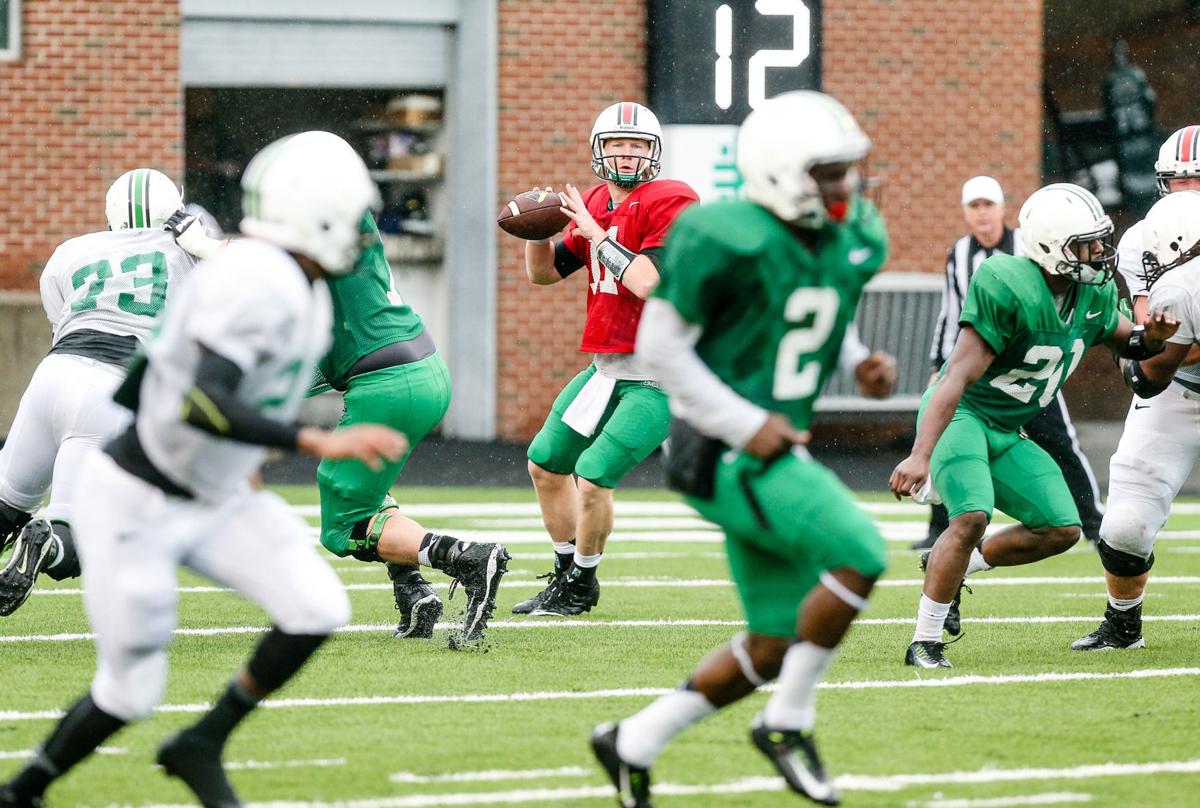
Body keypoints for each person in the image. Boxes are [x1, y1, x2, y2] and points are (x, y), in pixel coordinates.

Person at [0, 131, 408, 807]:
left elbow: (168, 384)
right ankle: (25, 788)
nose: (364, 237)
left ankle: (203, 741)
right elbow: (197, 398)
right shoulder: (260, 280)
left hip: (209, 490)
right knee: (130, 691)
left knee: (315, 605)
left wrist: (243, 463)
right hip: (137, 493)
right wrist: (313, 443)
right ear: (315, 217)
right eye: (351, 218)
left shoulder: (289, 279)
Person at [590, 90, 889, 808]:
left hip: (764, 445)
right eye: (829, 172)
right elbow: (660, 347)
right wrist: (744, 421)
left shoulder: (846, 237)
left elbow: (814, 306)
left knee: (772, 642)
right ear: (784, 172)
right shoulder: (723, 234)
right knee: (862, 551)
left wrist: (856, 361)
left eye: (847, 171)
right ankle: (788, 722)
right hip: (721, 447)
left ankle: (632, 742)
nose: (845, 187)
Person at [890, 182, 1179, 669]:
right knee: (970, 516)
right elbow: (955, 374)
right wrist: (920, 454)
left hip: (1007, 428)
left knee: (1061, 528)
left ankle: (959, 567)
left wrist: (1152, 337)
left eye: (1100, 241)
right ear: (1051, 246)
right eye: (1087, 244)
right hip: (964, 415)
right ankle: (925, 640)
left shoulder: (1093, 292)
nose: (1100, 253)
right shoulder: (1007, 283)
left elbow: (1126, 341)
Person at [0, 168, 222, 615]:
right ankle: (46, 541)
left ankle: (31, 531)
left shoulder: (72, 251)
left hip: (53, 374)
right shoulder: (190, 257)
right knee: (77, 532)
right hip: (114, 387)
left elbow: (62, 319)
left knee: (6, 503)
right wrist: (209, 248)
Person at [510, 101, 698, 617]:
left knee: (592, 476)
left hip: (657, 375)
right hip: (606, 368)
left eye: (637, 146)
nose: (628, 154)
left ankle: (582, 584)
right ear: (599, 150)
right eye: (617, 144)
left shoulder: (671, 200)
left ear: (654, 154)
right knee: (546, 464)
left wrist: (595, 233)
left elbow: (648, 282)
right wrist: (538, 233)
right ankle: (564, 573)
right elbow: (546, 275)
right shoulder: (594, 200)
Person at [311, 210, 509, 646]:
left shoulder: (319, 227)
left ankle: (467, 557)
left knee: (341, 529)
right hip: (420, 364)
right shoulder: (347, 222)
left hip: (386, 383)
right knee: (366, 488)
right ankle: (413, 589)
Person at [914, 175, 1104, 551]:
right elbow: (950, 314)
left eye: (988, 205)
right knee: (949, 438)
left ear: (1003, 209)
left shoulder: (1030, 245)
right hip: (978, 370)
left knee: (1060, 441)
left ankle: (1093, 522)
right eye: (974, 207)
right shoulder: (960, 252)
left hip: (1029, 367)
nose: (982, 214)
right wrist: (939, 362)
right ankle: (940, 531)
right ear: (966, 214)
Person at [1073, 188, 1200, 651]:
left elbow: (1147, 376)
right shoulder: (1154, 256)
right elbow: (1159, 370)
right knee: (1126, 524)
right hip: (1181, 395)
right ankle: (1123, 625)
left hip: (1170, 377)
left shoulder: (1182, 283)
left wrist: (1123, 348)